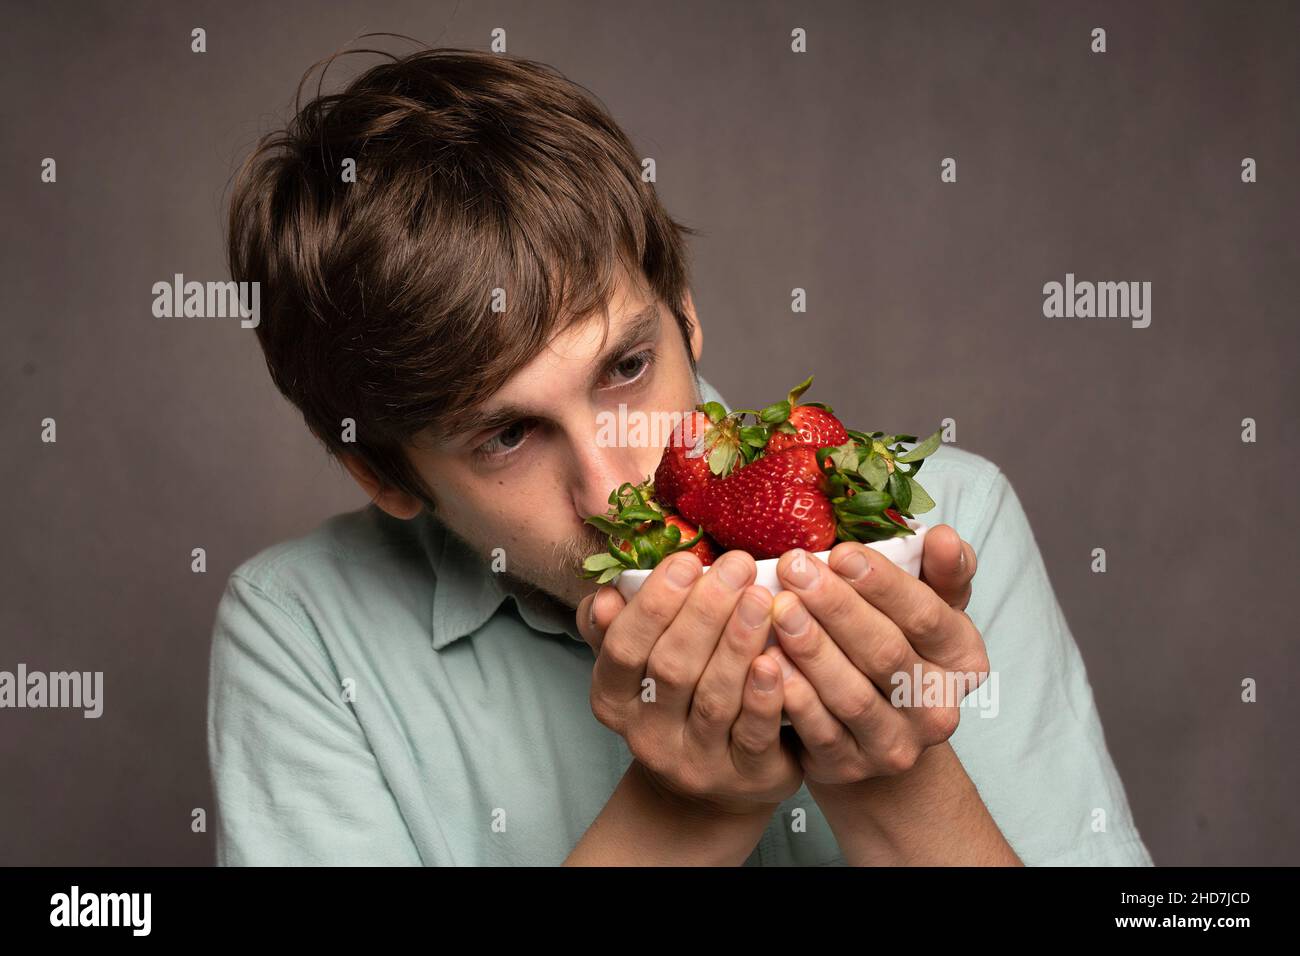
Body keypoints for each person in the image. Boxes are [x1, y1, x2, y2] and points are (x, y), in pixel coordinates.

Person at [208, 46, 1151, 866]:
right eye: (505, 434)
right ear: (385, 475)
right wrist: (687, 814)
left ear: (686, 314)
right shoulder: (302, 634)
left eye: (625, 367)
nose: (617, 483)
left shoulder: (951, 513)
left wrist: (891, 778)